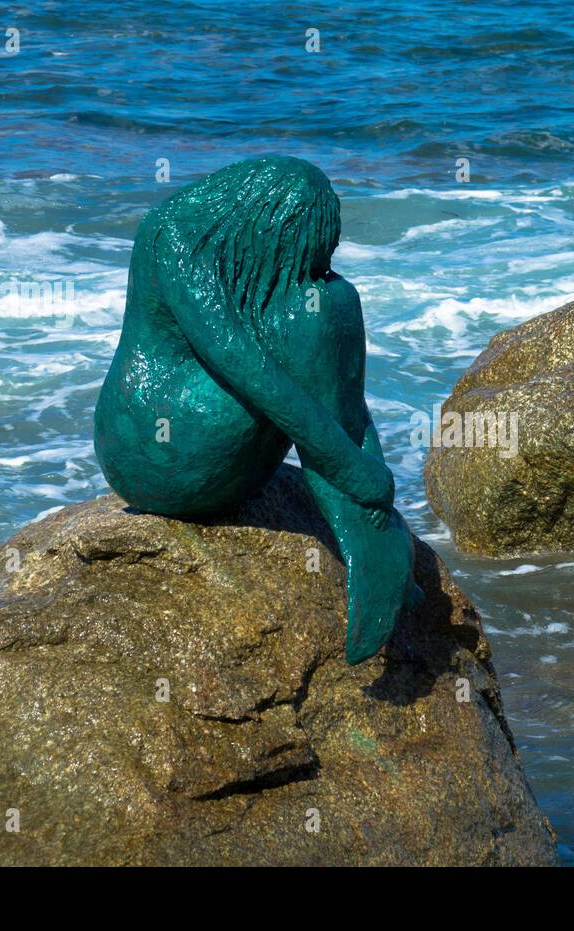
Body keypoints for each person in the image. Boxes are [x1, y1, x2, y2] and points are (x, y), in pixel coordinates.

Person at [94, 156, 423, 664]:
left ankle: (368, 521)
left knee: (330, 300)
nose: (302, 271)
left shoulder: (222, 233)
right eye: (297, 255)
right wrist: (352, 469)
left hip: (217, 454)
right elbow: (242, 365)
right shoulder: (174, 238)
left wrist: (363, 471)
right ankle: (362, 516)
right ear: (270, 224)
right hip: (155, 448)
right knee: (312, 314)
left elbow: (340, 400)